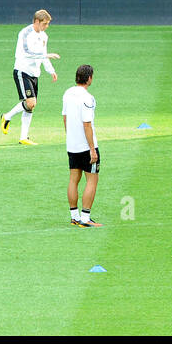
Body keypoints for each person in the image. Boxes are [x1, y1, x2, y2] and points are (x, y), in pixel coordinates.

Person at [1, 9, 59, 146]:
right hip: (22, 71)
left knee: (30, 107)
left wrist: (50, 70)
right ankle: (7, 116)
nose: (46, 27)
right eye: (44, 24)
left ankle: (23, 137)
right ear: (36, 21)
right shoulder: (25, 33)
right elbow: (27, 53)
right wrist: (46, 55)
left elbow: (43, 54)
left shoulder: (44, 36)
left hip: (34, 73)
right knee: (31, 102)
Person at [63, 64, 101, 227]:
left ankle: (74, 216)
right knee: (92, 180)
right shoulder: (88, 98)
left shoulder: (67, 93)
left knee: (73, 180)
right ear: (89, 78)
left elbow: (65, 117)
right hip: (86, 147)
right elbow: (87, 125)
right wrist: (92, 149)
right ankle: (85, 219)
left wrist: (70, 137)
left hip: (72, 145)